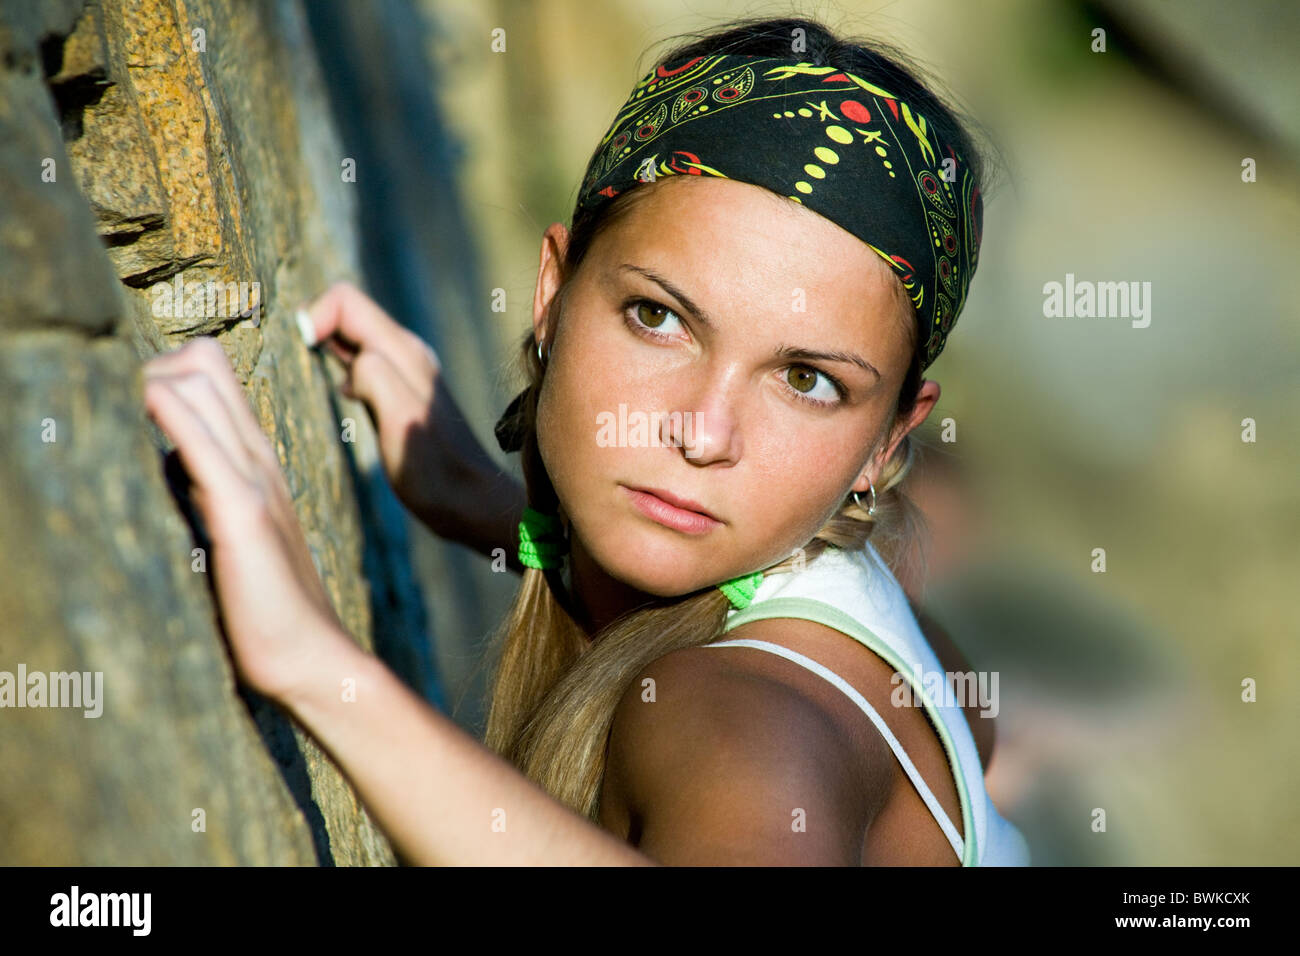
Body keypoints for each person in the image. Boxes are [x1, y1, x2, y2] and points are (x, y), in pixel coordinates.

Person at [141, 14, 1029, 865]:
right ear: (553, 296)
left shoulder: (745, 715)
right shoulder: (893, 644)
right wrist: (507, 519)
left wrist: (313, 661)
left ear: (885, 443)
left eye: (807, 380)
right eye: (659, 318)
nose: (702, 432)